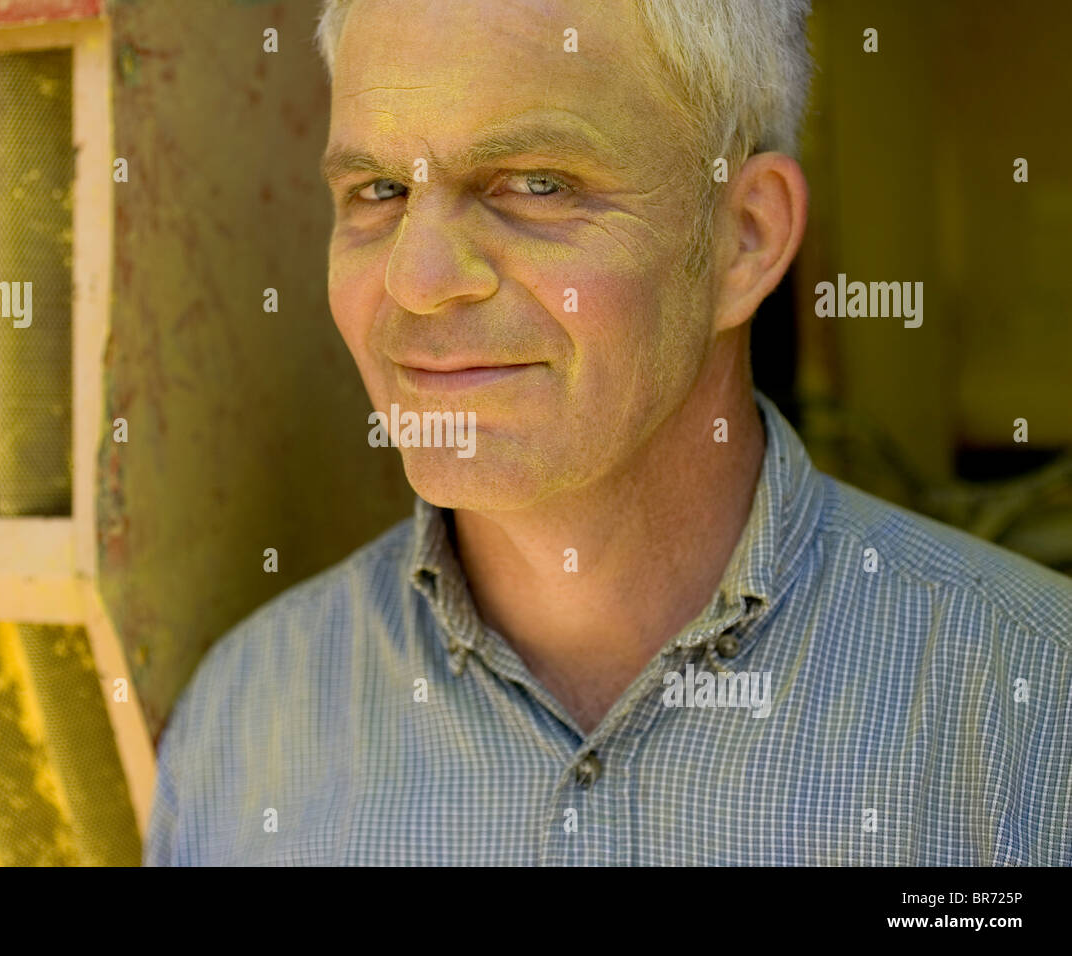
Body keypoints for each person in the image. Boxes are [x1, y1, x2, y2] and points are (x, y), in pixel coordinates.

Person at [144, 0, 1072, 865]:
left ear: (744, 239)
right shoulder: (241, 723)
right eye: (379, 190)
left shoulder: (1032, 709)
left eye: (537, 184)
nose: (417, 281)